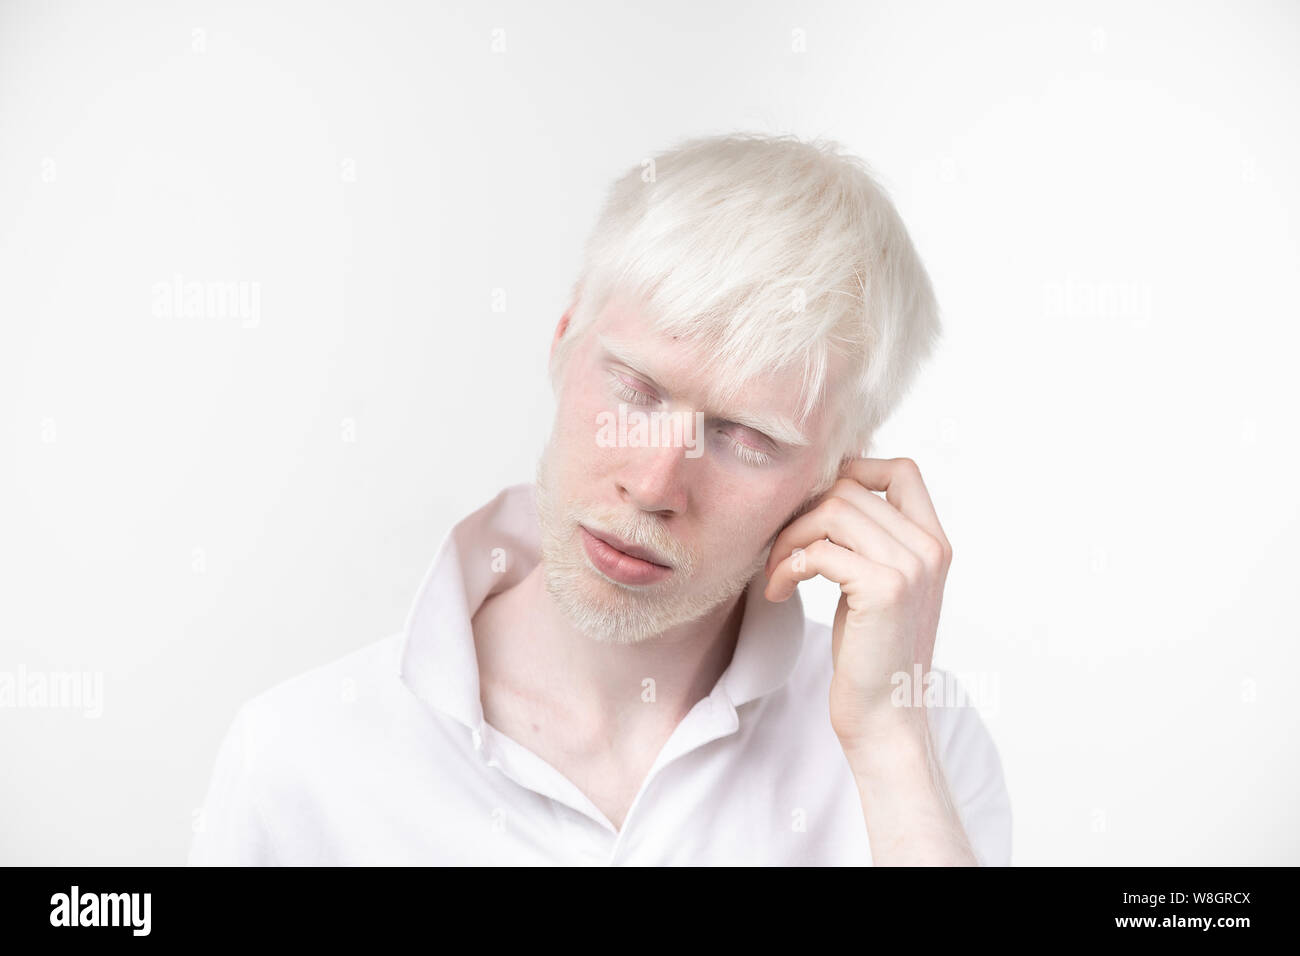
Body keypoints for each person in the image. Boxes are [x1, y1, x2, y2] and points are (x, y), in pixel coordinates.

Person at [188, 131, 1011, 866]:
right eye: (636, 390)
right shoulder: (299, 759)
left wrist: (891, 746)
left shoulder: (917, 748)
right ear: (564, 339)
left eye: (745, 439)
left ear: (835, 478)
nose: (653, 486)